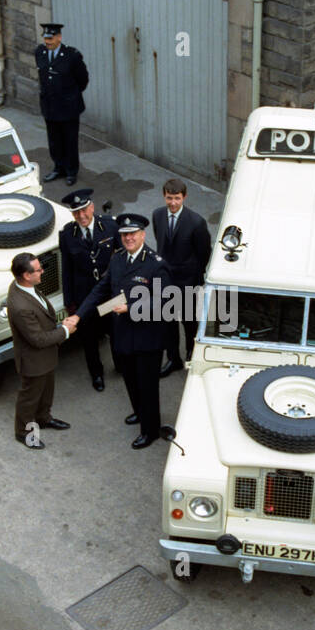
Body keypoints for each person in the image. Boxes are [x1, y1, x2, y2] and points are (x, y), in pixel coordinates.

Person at [71, 213, 171, 448]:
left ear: (143, 235)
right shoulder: (117, 260)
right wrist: (79, 314)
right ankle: (139, 412)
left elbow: (165, 302)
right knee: (130, 380)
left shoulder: (156, 264)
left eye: (132, 234)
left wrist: (131, 307)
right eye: (124, 235)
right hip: (123, 333)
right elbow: (101, 290)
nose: (128, 238)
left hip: (148, 337)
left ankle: (151, 430)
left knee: (147, 386)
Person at [5, 251, 75, 449]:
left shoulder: (25, 288)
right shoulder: (20, 305)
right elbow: (36, 339)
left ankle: (43, 418)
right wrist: (65, 331)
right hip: (34, 360)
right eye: (38, 270)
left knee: (46, 391)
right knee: (29, 398)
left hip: (46, 356)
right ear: (26, 275)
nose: (42, 272)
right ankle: (24, 433)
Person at [59, 188, 120, 391]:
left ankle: (121, 365)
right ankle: (96, 374)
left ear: (92, 207)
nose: (82, 216)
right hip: (84, 297)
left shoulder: (110, 226)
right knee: (89, 338)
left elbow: (121, 258)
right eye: (76, 212)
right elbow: (67, 270)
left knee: (116, 330)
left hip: (109, 294)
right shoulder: (68, 234)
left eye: (85, 210)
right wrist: (70, 302)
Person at [152, 178, 212, 376]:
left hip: (188, 282)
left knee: (189, 322)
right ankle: (173, 359)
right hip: (165, 280)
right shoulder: (158, 215)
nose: (173, 203)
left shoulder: (196, 222)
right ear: (164, 196)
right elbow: (161, 243)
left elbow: (204, 253)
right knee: (168, 323)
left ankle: (191, 355)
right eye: (169, 198)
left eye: (177, 198)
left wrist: (195, 277)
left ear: (184, 197)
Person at [34, 23, 89, 186]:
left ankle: (71, 171)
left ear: (59, 37)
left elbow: (83, 80)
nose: (47, 42)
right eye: (45, 38)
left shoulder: (72, 56)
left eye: (50, 38)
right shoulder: (40, 52)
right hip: (49, 105)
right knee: (54, 140)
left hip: (68, 107)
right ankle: (58, 167)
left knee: (70, 140)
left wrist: (70, 95)